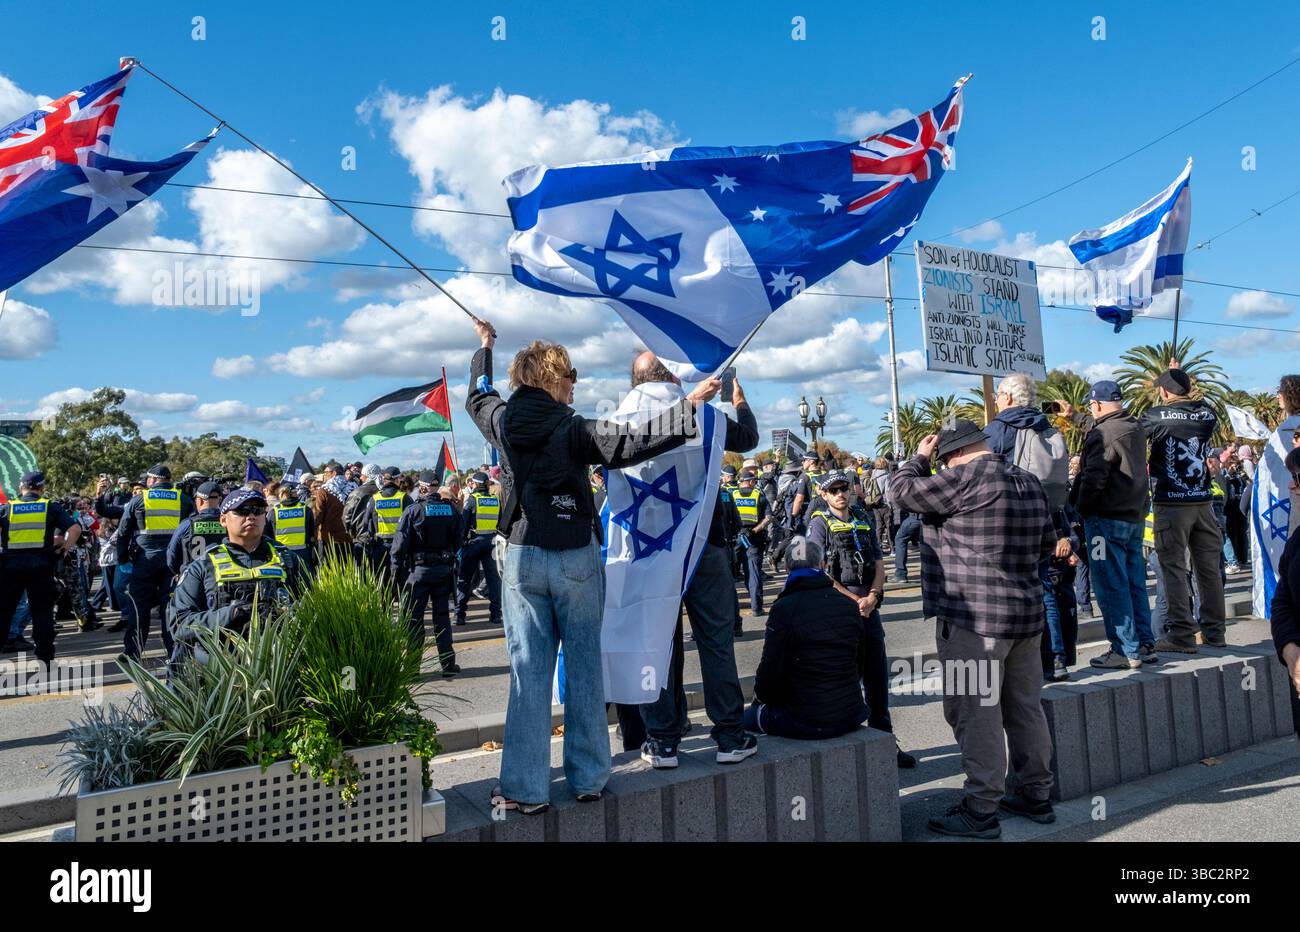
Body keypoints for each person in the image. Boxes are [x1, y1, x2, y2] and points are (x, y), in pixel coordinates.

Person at [465, 321, 712, 813]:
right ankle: (589, 778)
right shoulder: (574, 429)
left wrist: (484, 349)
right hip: (575, 552)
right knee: (584, 669)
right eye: (571, 374)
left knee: (528, 673)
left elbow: (477, 398)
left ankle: (524, 789)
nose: (575, 383)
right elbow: (635, 441)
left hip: (521, 553)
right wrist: (691, 406)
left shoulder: (502, 421)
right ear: (554, 378)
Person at [891, 421, 1058, 839]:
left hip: (974, 623)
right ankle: (1037, 794)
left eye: (945, 459)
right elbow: (1046, 545)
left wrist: (919, 458)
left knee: (976, 712)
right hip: (1027, 618)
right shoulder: (1029, 482)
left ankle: (981, 808)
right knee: (1025, 707)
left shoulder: (960, 478)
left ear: (955, 454)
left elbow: (899, 491)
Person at [619, 352, 761, 769]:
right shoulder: (705, 415)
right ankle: (730, 736)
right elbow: (749, 439)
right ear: (673, 375)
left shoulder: (622, 418)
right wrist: (739, 401)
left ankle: (663, 740)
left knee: (659, 643)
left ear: (634, 380)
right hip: (705, 545)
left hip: (650, 549)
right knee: (716, 641)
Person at [805, 470, 914, 766]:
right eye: (834, 490)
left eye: (844, 488)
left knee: (877, 680)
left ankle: (885, 743)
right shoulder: (818, 524)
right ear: (824, 495)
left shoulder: (861, 517)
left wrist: (874, 595)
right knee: (845, 682)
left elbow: (879, 562)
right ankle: (851, 751)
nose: (841, 493)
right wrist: (855, 600)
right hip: (840, 613)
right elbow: (820, 571)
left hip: (870, 609)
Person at [745, 536, 871, 740]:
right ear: (823, 564)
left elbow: (770, 669)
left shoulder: (784, 608)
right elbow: (859, 662)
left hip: (807, 717)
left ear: (787, 568)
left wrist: (762, 700)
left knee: (744, 720)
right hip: (851, 710)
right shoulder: (848, 605)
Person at [1071, 380, 1158, 670]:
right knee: (1134, 583)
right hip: (1132, 518)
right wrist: (1074, 415)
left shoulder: (1102, 433)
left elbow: (1095, 477)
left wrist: (1081, 509)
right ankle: (1144, 643)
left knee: (1110, 585)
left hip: (1104, 520)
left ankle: (1124, 648)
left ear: (1095, 404)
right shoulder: (1132, 426)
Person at [1143, 367, 1226, 652]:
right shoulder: (1206, 416)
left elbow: (1130, 432)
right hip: (1203, 502)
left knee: (1173, 570)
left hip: (1170, 503)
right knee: (1208, 571)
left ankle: (1181, 634)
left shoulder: (1155, 416)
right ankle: (1215, 631)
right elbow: (1202, 404)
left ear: (1164, 392)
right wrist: (1180, 378)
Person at [170, 487, 302, 666]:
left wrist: (283, 614)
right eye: (242, 511)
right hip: (219, 673)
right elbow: (179, 624)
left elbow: (313, 610)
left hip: (278, 669)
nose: (251, 516)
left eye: (258, 510)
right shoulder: (203, 565)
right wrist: (229, 614)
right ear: (223, 520)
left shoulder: (289, 560)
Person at [103, 464, 195, 661]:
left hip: (144, 561)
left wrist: (122, 559)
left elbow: (124, 533)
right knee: (170, 608)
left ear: (152, 481)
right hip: (174, 563)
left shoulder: (138, 500)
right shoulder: (184, 500)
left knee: (139, 608)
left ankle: (133, 652)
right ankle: (173, 652)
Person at [0, 471, 81, 663]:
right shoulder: (50, 507)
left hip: (10, 568)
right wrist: (64, 549)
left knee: (4, 613)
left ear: (21, 488)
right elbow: (75, 529)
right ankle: (45, 659)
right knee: (42, 614)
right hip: (41, 567)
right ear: (41, 488)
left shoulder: (7, 508)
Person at [390, 471, 463, 676]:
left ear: (422, 487)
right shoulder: (451, 510)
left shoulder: (413, 511)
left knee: (414, 620)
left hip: (418, 573)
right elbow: (459, 538)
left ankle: (413, 668)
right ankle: (448, 665)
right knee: (442, 619)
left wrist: (395, 572)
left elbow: (399, 545)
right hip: (443, 571)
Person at [1268, 447, 1300, 734]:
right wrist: (1290, 649)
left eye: (1297, 479)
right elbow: (1282, 601)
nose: (1292, 486)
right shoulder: (1298, 539)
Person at [456, 471, 503, 626]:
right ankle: (496, 615)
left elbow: (463, 524)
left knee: (465, 579)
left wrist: (461, 543)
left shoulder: (472, 500)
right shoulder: (495, 500)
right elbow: (501, 523)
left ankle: (460, 615)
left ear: (475, 484)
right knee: (493, 580)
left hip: (474, 542)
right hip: (492, 543)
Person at [165, 480, 227, 580]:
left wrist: (179, 573)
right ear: (220, 500)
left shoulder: (187, 524)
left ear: (200, 501)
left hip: (192, 578)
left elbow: (172, 556)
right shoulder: (229, 522)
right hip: (223, 577)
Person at [731, 469, 772, 619]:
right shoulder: (759, 495)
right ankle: (757, 608)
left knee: (729, 574)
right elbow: (768, 518)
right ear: (750, 481)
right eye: (754, 480)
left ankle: (732, 611)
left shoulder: (732, 495)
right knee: (753, 573)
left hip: (735, 538)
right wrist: (754, 531)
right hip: (753, 538)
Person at [268, 481, 317, 573]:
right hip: (303, 552)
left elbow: (267, 534)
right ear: (292, 494)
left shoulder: (274, 512)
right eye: (295, 492)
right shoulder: (305, 509)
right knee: (305, 581)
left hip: (281, 552)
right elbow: (312, 532)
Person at [313, 461, 352, 563]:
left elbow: (318, 514)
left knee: (330, 571)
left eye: (326, 472)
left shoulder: (324, 490)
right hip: (350, 536)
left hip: (329, 538)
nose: (324, 475)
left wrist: (313, 532)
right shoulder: (353, 488)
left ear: (334, 473)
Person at [343, 463, 381, 566]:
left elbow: (346, 517)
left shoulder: (356, 492)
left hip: (361, 539)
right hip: (381, 539)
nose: (360, 477)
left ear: (368, 476)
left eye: (362, 474)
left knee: (362, 575)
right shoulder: (382, 492)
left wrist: (352, 534)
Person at [786, 451, 819, 534]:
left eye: (804, 460)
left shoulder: (805, 476)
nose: (802, 462)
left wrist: (793, 515)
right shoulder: (825, 474)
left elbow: (799, 499)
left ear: (812, 461)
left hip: (810, 511)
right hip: (826, 509)